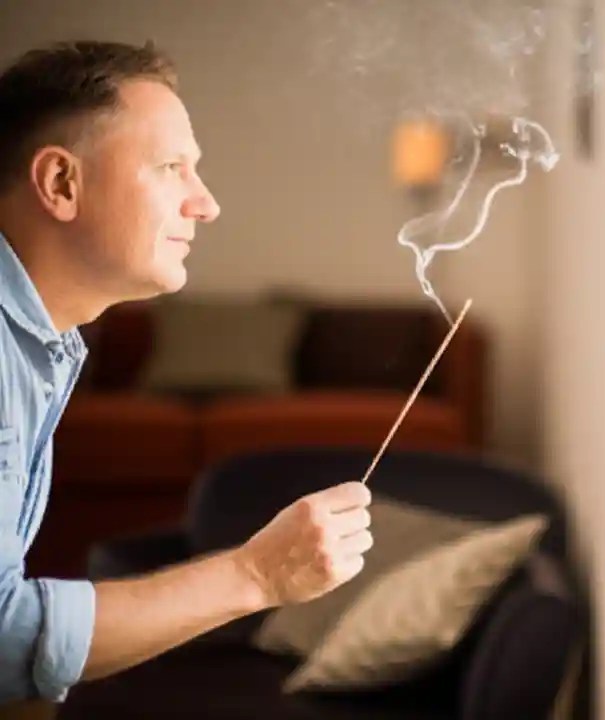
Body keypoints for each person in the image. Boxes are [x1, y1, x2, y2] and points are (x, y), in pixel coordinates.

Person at [0, 40, 374, 704]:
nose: (205, 204)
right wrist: (257, 575)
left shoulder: (41, 346)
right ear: (61, 183)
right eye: (172, 167)